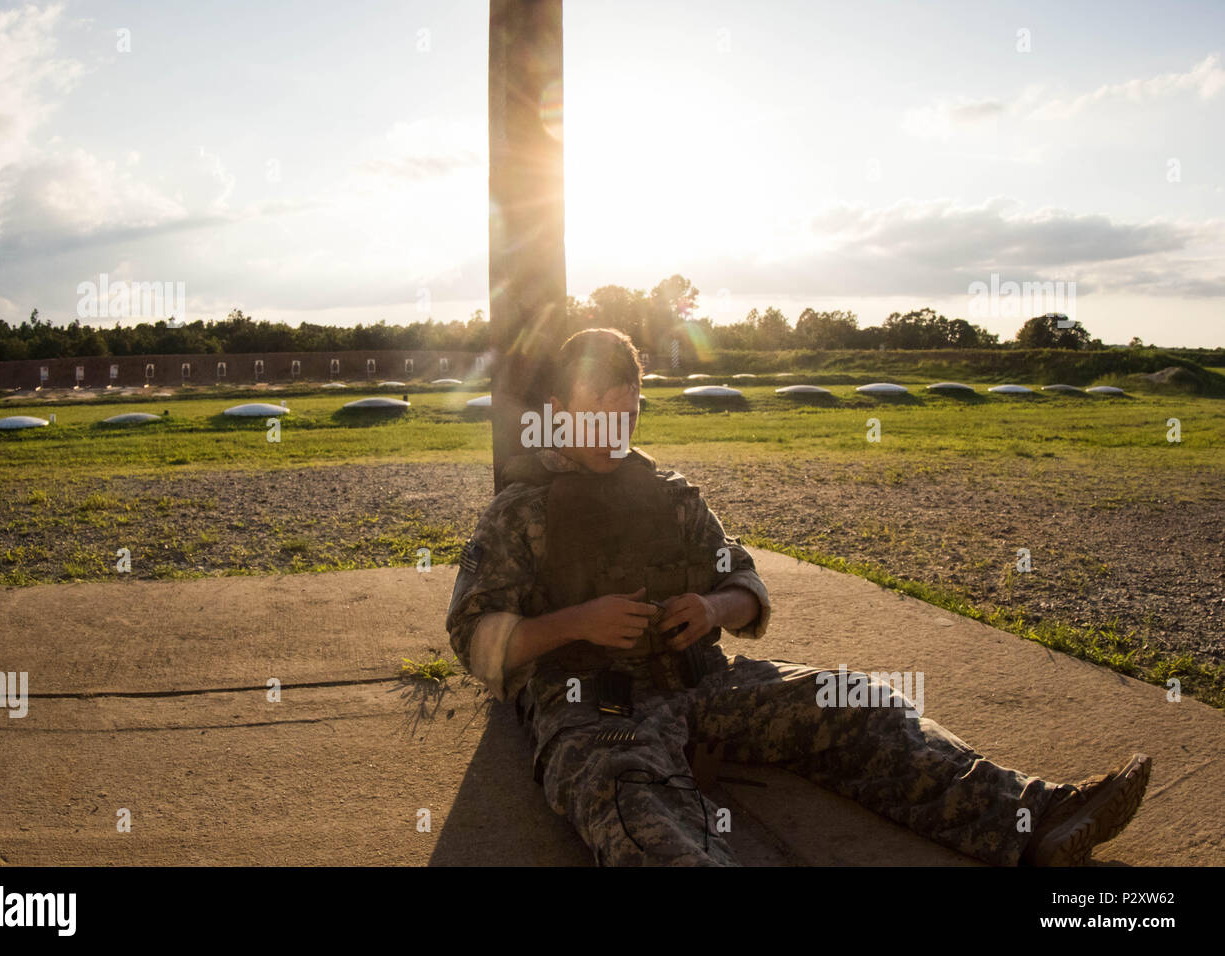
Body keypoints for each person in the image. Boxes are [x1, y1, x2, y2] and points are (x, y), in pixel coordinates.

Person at [445, 327, 1151, 866]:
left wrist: (715, 609)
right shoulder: (520, 512)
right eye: (600, 409)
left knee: (858, 701)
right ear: (560, 409)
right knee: (626, 789)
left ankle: (1039, 817)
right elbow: (474, 636)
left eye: (627, 411)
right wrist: (578, 622)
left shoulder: (669, 498)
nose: (616, 428)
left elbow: (743, 580)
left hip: (702, 685)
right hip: (596, 700)